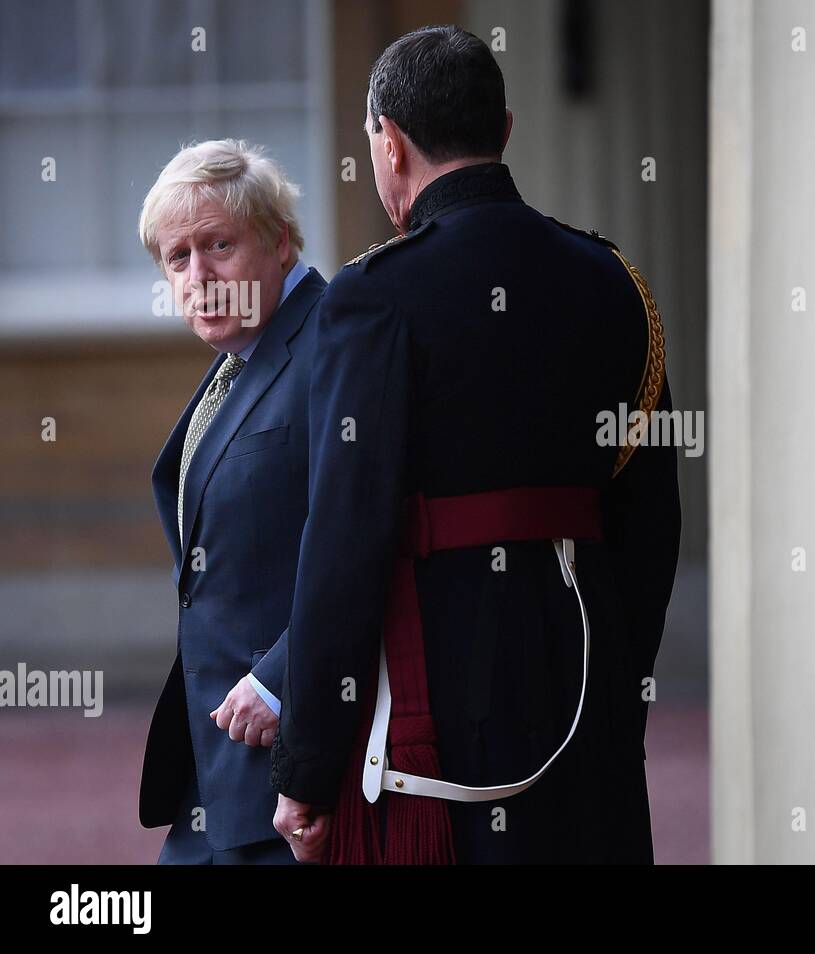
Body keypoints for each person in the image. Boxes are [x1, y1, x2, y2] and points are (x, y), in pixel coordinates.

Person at [270, 25, 681, 864]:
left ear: (389, 143)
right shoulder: (614, 280)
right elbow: (651, 523)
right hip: (586, 685)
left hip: (442, 713)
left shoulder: (370, 297)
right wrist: (615, 692)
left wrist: (307, 766)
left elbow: (343, 543)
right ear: (505, 130)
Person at [137, 139, 328, 863]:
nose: (197, 276)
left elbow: (373, 535)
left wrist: (280, 680)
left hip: (296, 774)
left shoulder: (335, 338)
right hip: (213, 777)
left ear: (280, 242)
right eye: (176, 258)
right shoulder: (238, 359)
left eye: (218, 244)